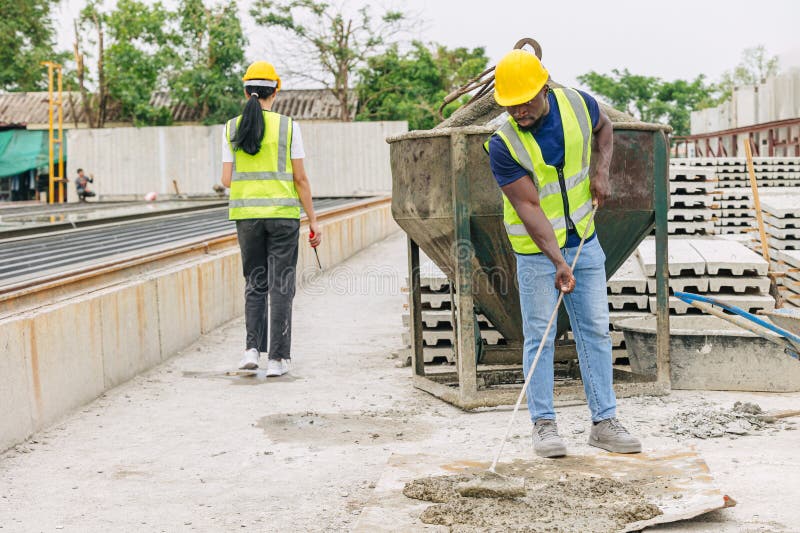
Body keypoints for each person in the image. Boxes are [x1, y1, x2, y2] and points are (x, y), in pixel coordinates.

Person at [485, 49, 641, 457]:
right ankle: (544, 425)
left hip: (585, 240)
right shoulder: (503, 144)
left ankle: (604, 423)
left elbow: (605, 127)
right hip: (536, 253)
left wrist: (601, 172)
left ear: (545, 88)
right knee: (540, 336)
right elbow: (529, 207)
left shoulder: (577, 104)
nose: (518, 111)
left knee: (596, 331)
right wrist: (557, 262)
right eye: (510, 105)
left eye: (524, 101)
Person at [220, 60, 321, 377]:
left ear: (245, 91)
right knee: (281, 287)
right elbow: (300, 179)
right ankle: (277, 359)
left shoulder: (231, 128)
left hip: (247, 216)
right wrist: (313, 221)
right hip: (282, 217)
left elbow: (226, 179)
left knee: (255, 283)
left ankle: (251, 350)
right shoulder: (289, 127)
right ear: (275, 92)